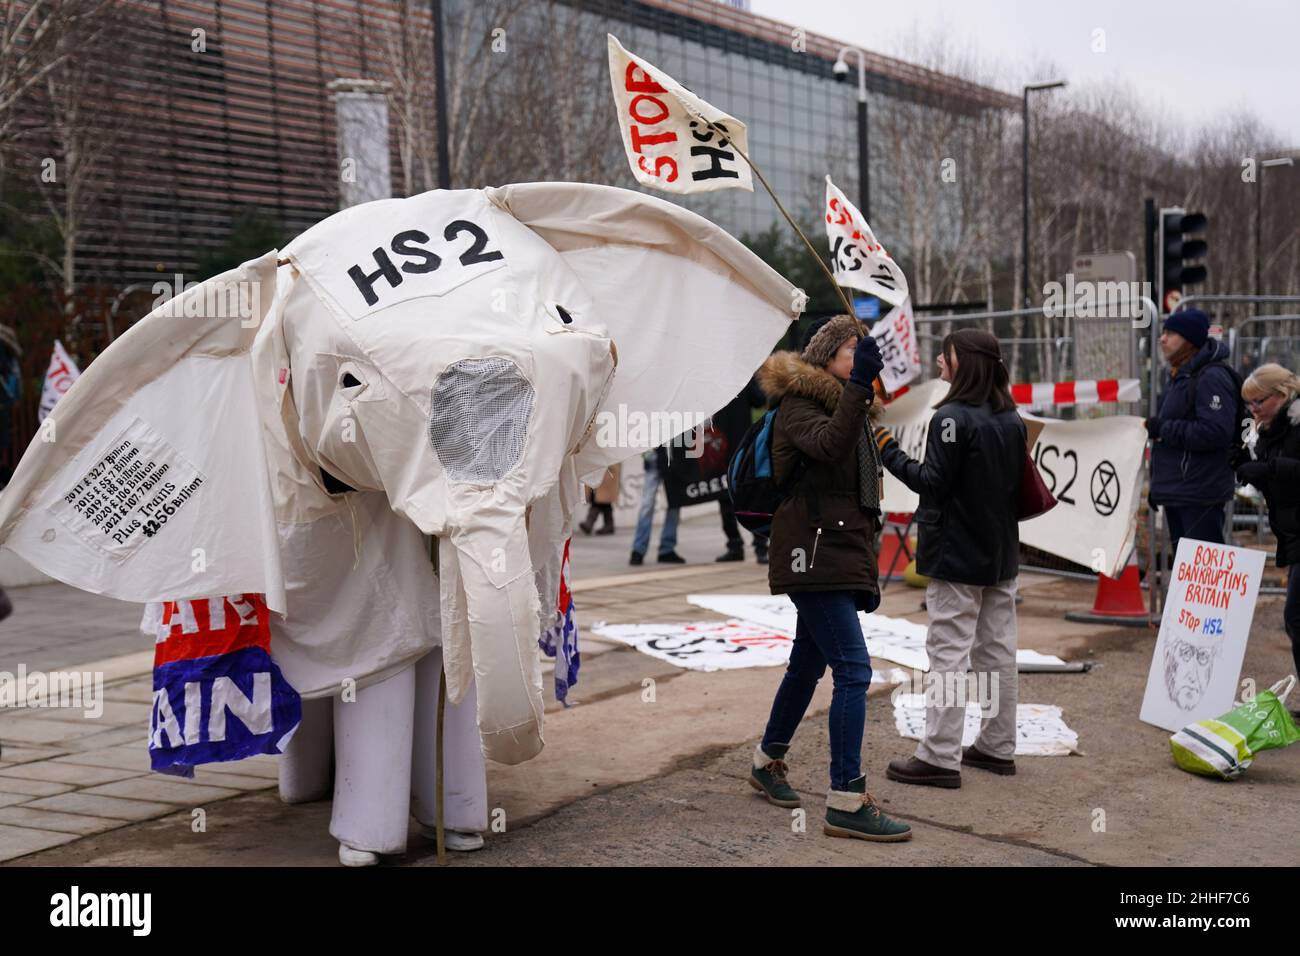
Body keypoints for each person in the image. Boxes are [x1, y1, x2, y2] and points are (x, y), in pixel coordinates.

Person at [748, 314, 911, 842]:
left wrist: (860, 391)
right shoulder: (799, 401)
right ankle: (845, 798)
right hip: (810, 555)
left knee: (805, 665)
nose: (859, 359)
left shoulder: (853, 405)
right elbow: (827, 447)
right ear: (826, 356)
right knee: (854, 671)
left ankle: (767, 760)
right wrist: (860, 387)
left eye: (863, 354)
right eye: (851, 352)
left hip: (837, 551)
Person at [875, 329, 1025, 789]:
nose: (940, 362)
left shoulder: (951, 418)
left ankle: (939, 755)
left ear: (963, 362)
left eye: (946, 354)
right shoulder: (1011, 418)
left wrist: (887, 450)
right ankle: (998, 747)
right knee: (997, 652)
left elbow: (932, 482)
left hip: (957, 555)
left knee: (949, 655)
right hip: (1000, 554)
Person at [1146, 309, 1240, 553]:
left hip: (1199, 494)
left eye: (1171, 333)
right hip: (1181, 491)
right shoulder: (1180, 375)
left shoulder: (1211, 377)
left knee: (1204, 575)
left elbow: (1216, 431)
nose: (1162, 339)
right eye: (1163, 332)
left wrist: (1164, 429)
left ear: (1190, 340)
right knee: (1188, 575)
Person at [1234, 364, 1300, 702]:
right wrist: (1248, 468)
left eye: (1258, 401)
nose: (1253, 410)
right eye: (1249, 405)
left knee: (1295, 617)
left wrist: (1267, 468)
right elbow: (1280, 484)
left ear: (1281, 395)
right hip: (1292, 532)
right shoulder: (1269, 430)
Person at [714, 377, 770, 563]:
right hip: (739, 444)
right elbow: (759, 400)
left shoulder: (709, 375)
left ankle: (736, 545)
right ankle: (757, 547)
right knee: (752, 493)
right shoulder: (742, 373)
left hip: (721, 444)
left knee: (725, 494)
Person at [629, 446, 685, 565]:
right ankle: (639, 549)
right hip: (656, 455)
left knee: (674, 504)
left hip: (673, 455)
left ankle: (666, 548)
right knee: (647, 505)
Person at [578, 463, 620, 535]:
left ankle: (589, 523)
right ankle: (609, 525)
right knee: (604, 501)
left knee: (599, 500)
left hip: (607, 469)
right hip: (602, 469)